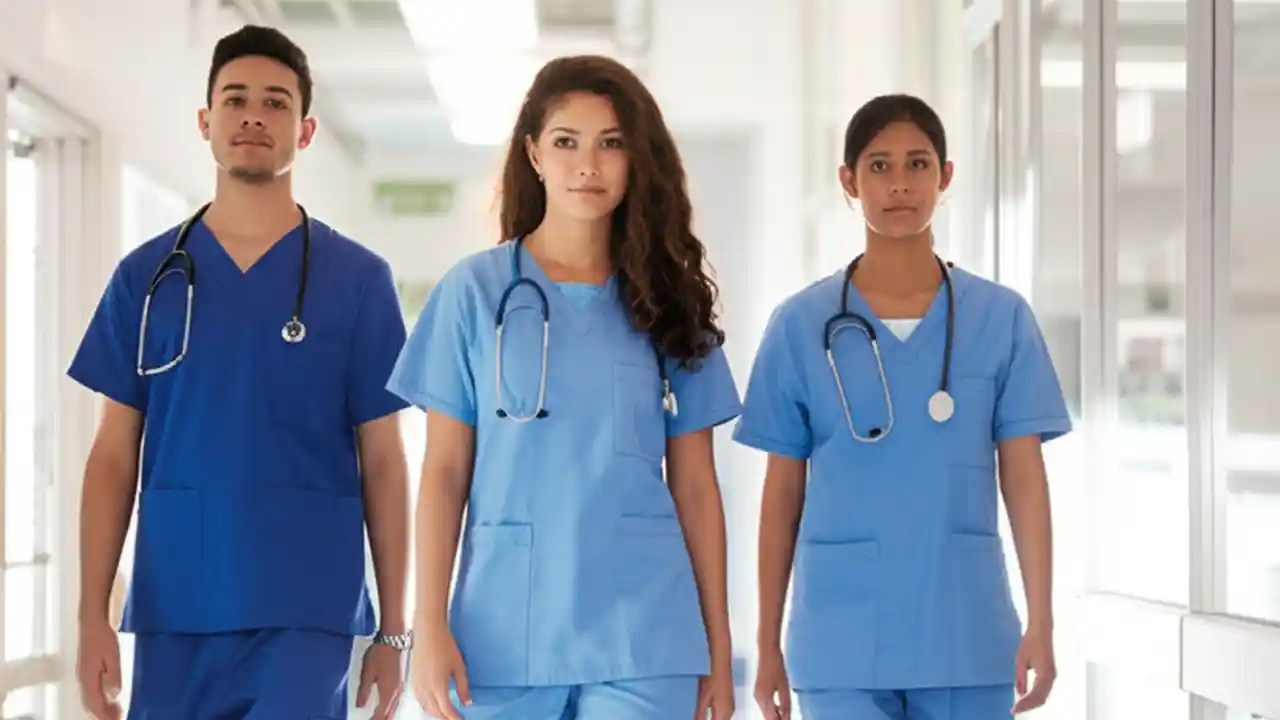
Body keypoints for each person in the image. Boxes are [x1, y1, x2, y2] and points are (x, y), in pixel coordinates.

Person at [68, 25, 412, 719]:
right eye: (236, 99)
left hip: (306, 609)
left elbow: (385, 462)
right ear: (206, 122)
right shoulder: (145, 279)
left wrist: (394, 630)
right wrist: (90, 616)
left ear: (306, 131)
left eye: (277, 103)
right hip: (177, 606)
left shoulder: (359, 282)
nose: (254, 115)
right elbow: (112, 454)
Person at [387, 55, 741, 720]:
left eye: (611, 144)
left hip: (645, 631)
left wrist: (718, 646)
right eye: (566, 142)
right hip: (502, 629)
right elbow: (442, 472)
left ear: (637, 159)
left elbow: (695, 485)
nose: (588, 165)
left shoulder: (669, 303)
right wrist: (426, 623)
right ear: (533, 155)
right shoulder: (475, 293)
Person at [735, 94, 1072, 720]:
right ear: (849, 182)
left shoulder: (1000, 319)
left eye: (917, 164)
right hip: (840, 640)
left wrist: (1042, 620)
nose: (899, 185)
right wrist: (767, 641)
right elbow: (781, 495)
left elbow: (1024, 481)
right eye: (879, 166)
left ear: (946, 177)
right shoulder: (801, 325)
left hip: (965, 634)